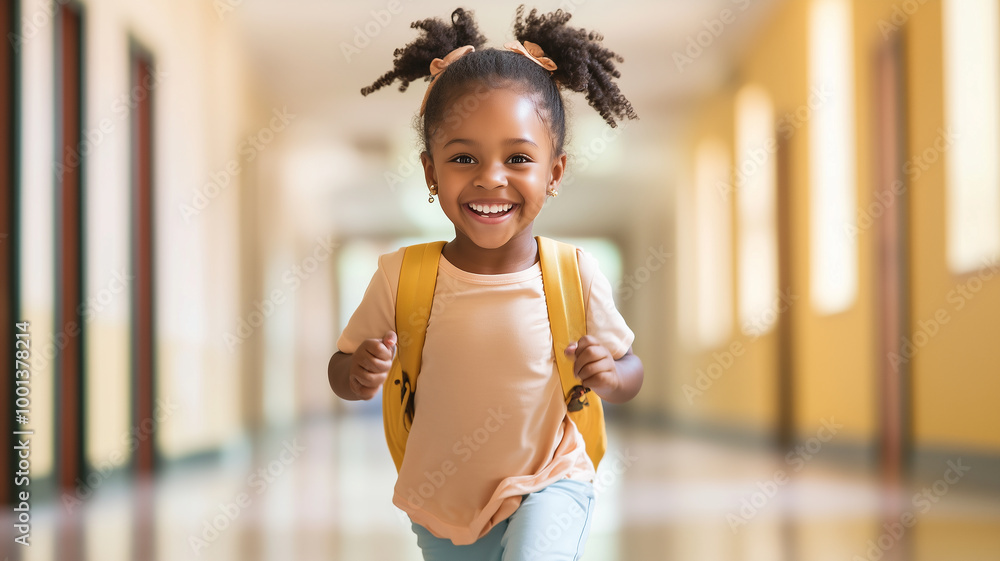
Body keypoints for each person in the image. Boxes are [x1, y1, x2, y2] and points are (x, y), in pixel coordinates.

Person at [327, 6, 642, 560]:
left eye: (518, 157)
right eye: (464, 157)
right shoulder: (402, 276)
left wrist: (613, 378)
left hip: (551, 478)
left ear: (555, 172)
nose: (490, 177)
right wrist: (358, 374)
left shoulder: (573, 273)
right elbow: (342, 370)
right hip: (443, 499)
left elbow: (631, 368)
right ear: (430, 173)